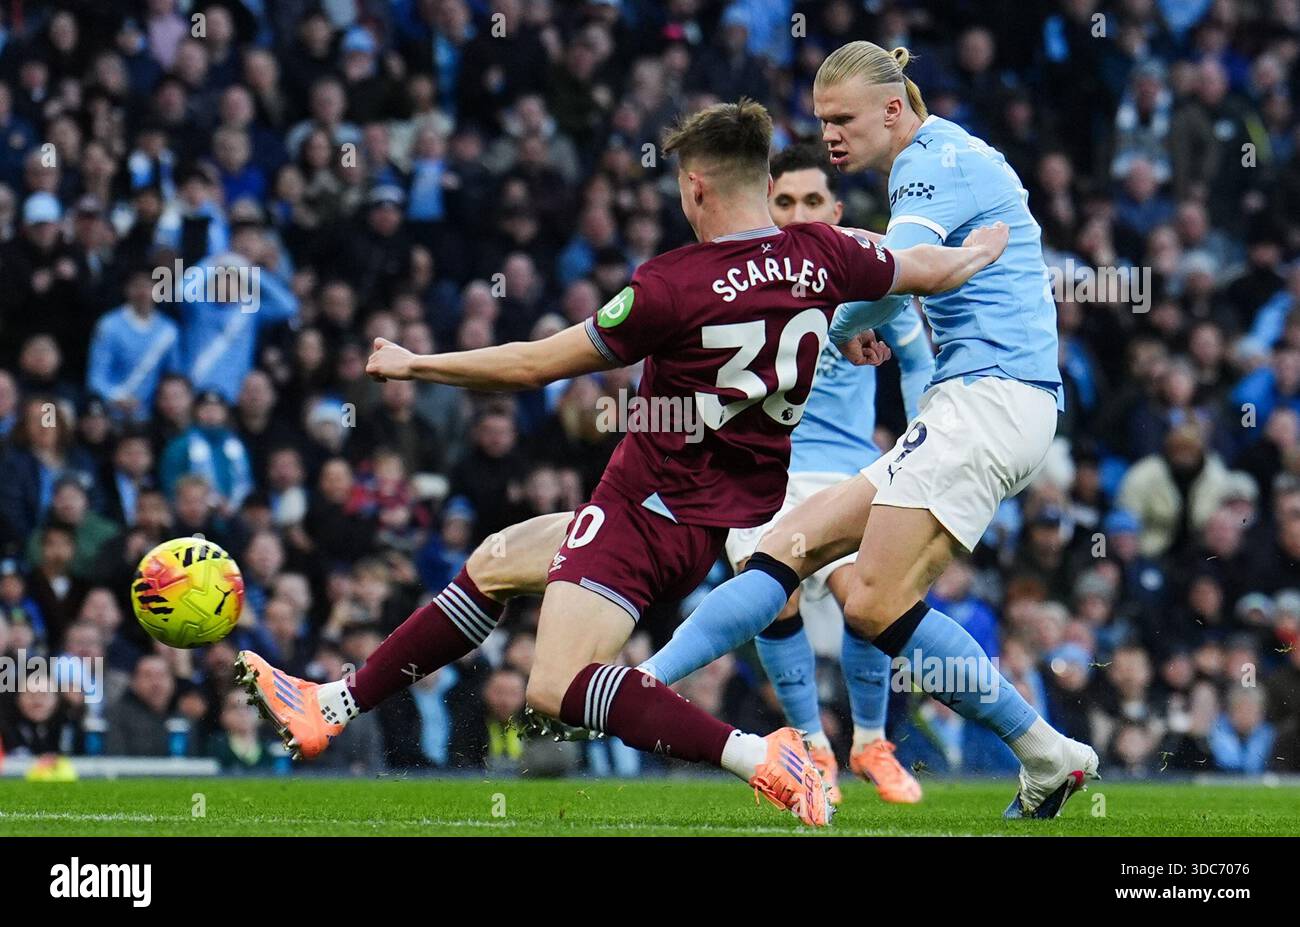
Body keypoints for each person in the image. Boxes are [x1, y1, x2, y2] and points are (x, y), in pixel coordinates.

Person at [236, 97, 1008, 827]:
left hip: (647, 506)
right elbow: (932, 270)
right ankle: (329, 706)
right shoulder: (827, 255)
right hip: (707, 518)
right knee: (498, 559)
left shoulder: (671, 285)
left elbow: (534, 365)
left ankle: (760, 754)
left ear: (695, 186)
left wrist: (415, 364)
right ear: (766, 185)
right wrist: (988, 243)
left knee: (557, 684)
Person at [636, 42, 1099, 819]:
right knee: (782, 547)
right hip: (981, 404)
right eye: (822, 122)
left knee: (874, 605)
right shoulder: (944, 158)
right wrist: (856, 319)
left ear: (894, 109)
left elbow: (892, 263)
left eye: (842, 120)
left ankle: (1048, 753)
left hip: (988, 400)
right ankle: (637, 683)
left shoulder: (929, 164)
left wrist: (817, 330)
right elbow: (892, 278)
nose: (832, 137)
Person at [724, 141, 933, 804]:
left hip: (846, 472)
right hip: (763, 472)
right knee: (775, 597)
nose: (798, 212)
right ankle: (813, 745)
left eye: (812, 200)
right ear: (766, 206)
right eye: (783, 201)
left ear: (835, 208)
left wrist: (920, 442)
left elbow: (920, 362)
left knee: (866, 597)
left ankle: (869, 739)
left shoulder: (866, 274)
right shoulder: (737, 280)